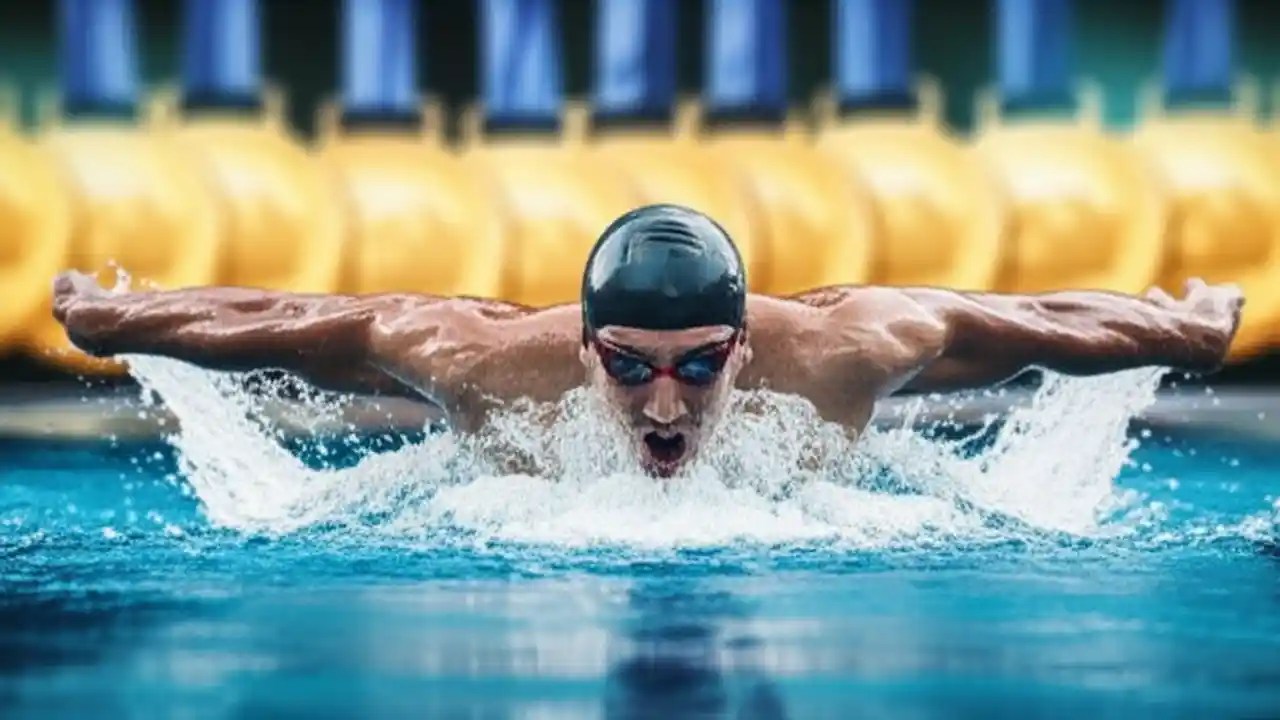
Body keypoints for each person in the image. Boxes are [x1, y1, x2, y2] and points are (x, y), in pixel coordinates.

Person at [53, 204, 1243, 478]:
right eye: (623, 362)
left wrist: (1182, 327)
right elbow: (299, 323)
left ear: (742, 347)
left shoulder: (840, 349)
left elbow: (1028, 326)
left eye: (693, 366)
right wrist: (116, 318)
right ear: (578, 346)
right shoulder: (481, 359)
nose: (659, 401)